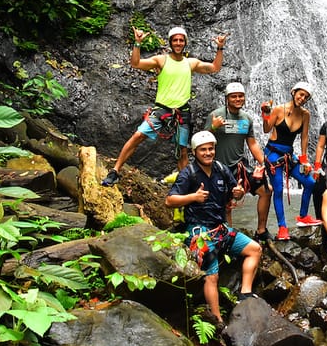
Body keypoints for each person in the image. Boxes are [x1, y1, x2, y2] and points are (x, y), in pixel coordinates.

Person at [103, 26, 228, 185]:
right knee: (138, 136)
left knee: (182, 151)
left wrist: (220, 47)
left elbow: (215, 68)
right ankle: (115, 171)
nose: (178, 43)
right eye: (175, 40)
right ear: (170, 42)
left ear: (185, 43)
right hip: (162, 108)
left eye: (181, 40)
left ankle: (185, 185)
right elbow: (135, 63)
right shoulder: (161, 60)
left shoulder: (191, 63)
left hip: (181, 111)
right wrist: (137, 43)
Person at [165, 131, 262, 326]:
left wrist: (238, 192)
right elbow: (169, 200)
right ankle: (217, 320)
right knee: (212, 275)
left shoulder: (220, 168)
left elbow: (236, 193)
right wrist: (193, 197)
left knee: (255, 249)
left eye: (211, 148)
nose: (208, 152)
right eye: (203, 150)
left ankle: (245, 293)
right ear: (195, 152)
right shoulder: (189, 173)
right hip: (199, 232)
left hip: (220, 228)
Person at [205, 82, 273, 240]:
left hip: (239, 166)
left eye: (240, 96)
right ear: (227, 98)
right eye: (233, 96)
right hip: (218, 167)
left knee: (266, 190)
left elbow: (252, 143)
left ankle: (261, 231)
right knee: (226, 204)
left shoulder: (246, 119)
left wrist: (265, 163)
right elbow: (202, 140)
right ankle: (227, 236)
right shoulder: (216, 115)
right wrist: (213, 127)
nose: (237, 99)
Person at [261, 82, 321, 241]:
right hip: (273, 154)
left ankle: (303, 216)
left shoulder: (305, 114)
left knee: (309, 182)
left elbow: (305, 137)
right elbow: (266, 129)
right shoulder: (279, 109)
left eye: (306, 97)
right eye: (301, 94)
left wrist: (305, 160)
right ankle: (282, 227)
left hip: (289, 155)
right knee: (278, 189)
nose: (302, 98)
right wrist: (265, 114)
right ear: (293, 92)